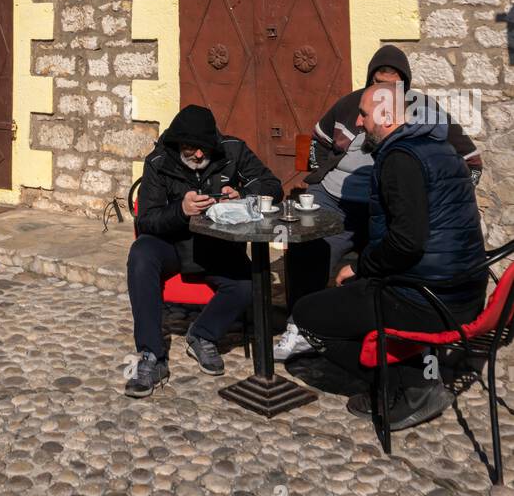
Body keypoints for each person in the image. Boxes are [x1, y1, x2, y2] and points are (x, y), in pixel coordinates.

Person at [291, 81, 487, 431]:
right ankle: (414, 374)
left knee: (308, 314)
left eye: (364, 115)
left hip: (428, 299)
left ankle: (405, 384)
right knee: (352, 295)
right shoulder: (438, 147)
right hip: (462, 290)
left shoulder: (400, 159)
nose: (361, 123)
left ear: (384, 114)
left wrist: (359, 266)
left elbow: (407, 243)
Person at [274, 45, 483, 361]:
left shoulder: (422, 118)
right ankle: (297, 327)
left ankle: (371, 347)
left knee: (384, 260)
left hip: (388, 206)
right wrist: (320, 172)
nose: (384, 87)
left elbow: (469, 160)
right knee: (308, 245)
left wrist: (438, 196)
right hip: (336, 199)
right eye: (378, 80)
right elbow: (316, 140)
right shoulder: (353, 104)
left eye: (393, 82)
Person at [125, 104, 282, 398]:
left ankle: (203, 334)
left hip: (217, 244)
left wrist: (245, 196)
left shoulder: (232, 151)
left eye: (204, 148)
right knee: (141, 255)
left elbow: (273, 185)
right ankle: (150, 355)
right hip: (171, 243)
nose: (198, 154)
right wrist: (180, 210)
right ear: (177, 143)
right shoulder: (158, 161)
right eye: (191, 148)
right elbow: (146, 220)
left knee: (250, 284)